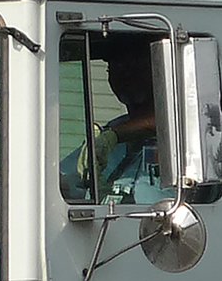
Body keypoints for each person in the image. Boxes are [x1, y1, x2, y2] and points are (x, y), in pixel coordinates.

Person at [65, 43, 165, 205]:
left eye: (134, 64)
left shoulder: (180, 130)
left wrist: (115, 135)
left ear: (159, 69)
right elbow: (64, 177)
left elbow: (161, 122)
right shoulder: (108, 133)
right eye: (114, 66)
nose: (125, 73)